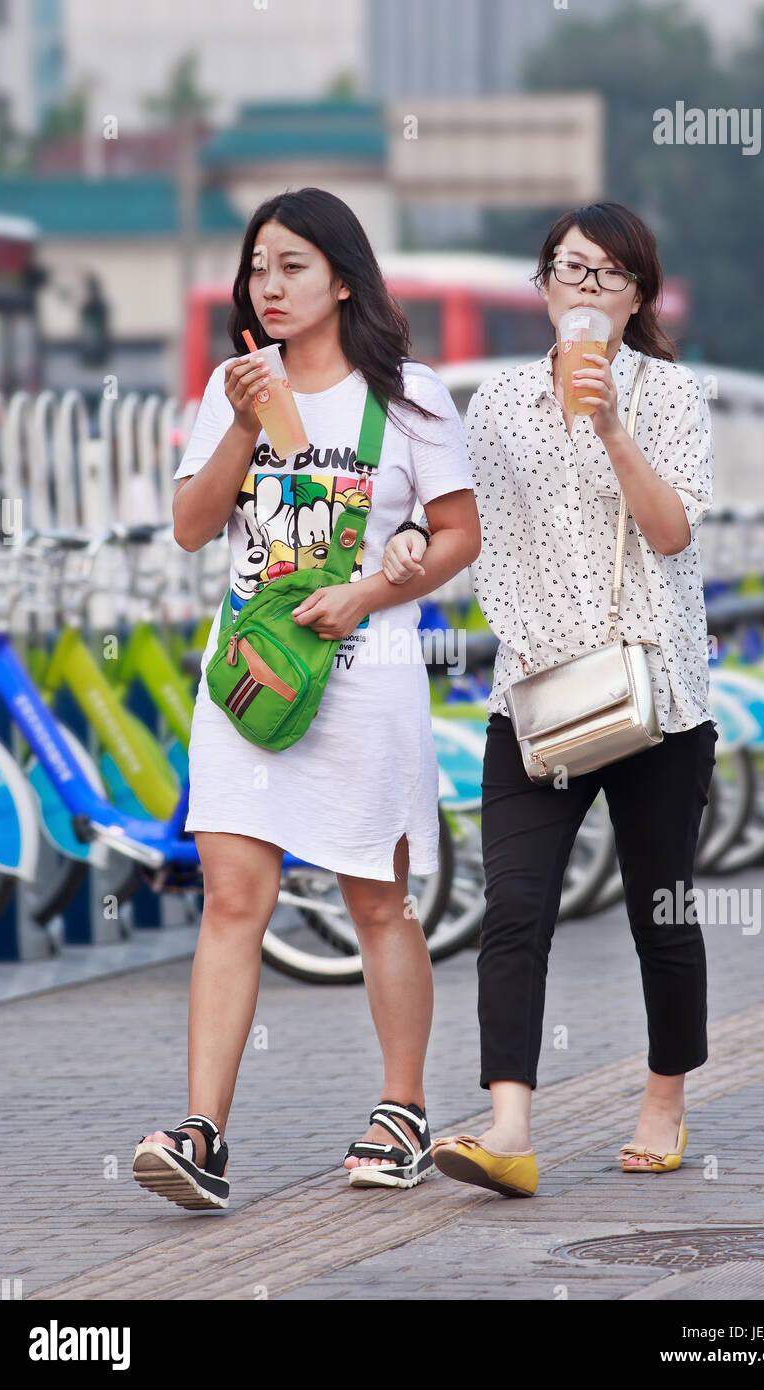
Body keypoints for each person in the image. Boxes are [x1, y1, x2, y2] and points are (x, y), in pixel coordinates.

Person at [132, 187, 479, 1210]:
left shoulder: (409, 394)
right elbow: (194, 528)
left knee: (376, 897)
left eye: (291, 266)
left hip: (365, 678)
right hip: (246, 678)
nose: (268, 285)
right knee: (232, 895)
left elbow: (457, 533)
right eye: (256, 267)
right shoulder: (230, 385)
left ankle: (401, 1109)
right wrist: (241, 424)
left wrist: (373, 588)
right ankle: (203, 1133)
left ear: (340, 277)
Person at [381, 201, 717, 1196]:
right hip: (533, 693)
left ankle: (664, 1094)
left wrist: (609, 422)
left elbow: (669, 534)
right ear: (540, 286)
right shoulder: (493, 405)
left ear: (636, 298)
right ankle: (509, 1127)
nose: (580, 290)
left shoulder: (667, 395)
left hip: (652, 691)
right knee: (514, 906)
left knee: (658, 908)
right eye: (565, 270)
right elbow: (459, 525)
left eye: (604, 276)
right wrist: (408, 543)